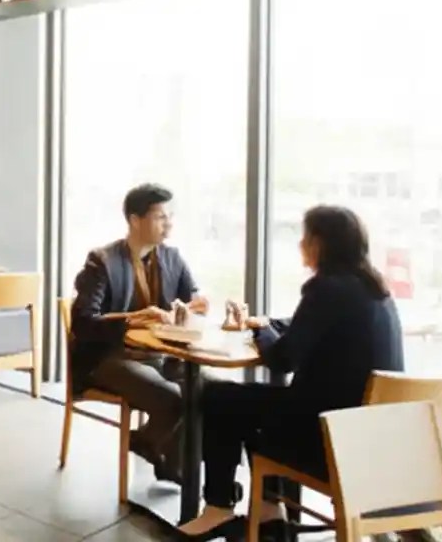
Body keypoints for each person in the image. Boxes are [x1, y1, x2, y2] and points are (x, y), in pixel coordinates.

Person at [178, 206, 404, 539]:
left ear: (320, 244)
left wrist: (259, 329)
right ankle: (269, 509)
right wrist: (267, 324)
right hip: (372, 435)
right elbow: (310, 327)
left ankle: (218, 508)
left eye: (305, 237)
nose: (301, 245)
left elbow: (283, 360)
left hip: (327, 435)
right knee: (254, 409)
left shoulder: (325, 288)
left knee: (220, 397)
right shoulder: (373, 289)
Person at [69, 183, 210, 482]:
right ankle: (163, 456)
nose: (168, 224)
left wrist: (196, 306)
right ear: (135, 220)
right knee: (173, 398)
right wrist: (133, 318)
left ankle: (151, 445)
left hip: (162, 355)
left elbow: (192, 297)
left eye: (170, 216)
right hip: (109, 357)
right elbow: (82, 322)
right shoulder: (102, 261)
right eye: (161, 217)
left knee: (210, 391)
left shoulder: (172, 258)